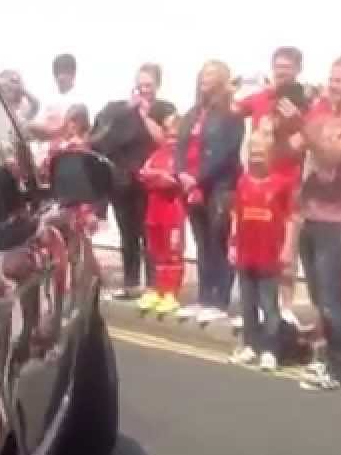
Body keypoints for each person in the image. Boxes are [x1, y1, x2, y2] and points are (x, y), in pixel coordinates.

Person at [292, 55, 341, 391]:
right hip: (312, 214)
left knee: (335, 299)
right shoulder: (321, 114)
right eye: (331, 79)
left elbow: (334, 156)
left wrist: (305, 126)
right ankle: (332, 358)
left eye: (339, 81)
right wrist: (283, 127)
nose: (332, 85)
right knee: (321, 297)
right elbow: (289, 151)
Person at [234, 46, 310, 326]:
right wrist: (234, 85)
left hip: (287, 179)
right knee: (254, 239)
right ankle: (252, 309)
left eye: (287, 67)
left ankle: (286, 305)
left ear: (298, 70)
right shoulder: (261, 98)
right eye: (278, 66)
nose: (282, 71)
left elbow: (307, 136)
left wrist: (296, 123)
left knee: (286, 244)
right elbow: (232, 109)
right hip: (256, 180)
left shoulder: (303, 100)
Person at [91, 63, 176, 299]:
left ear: (157, 86)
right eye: (139, 85)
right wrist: (126, 111)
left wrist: (143, 114)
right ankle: (130, 283)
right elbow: (99, 141)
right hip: (122, 183)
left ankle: (153, 284)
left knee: (149, 236)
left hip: (149, 186)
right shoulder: (117, 110)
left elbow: (164, 140)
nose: (143, 90)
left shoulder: (164, 109)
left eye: (148, 85)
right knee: (127, 235)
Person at [176, 60, 245, 325]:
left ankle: (220, 299)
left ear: (222, 80)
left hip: (219, 187)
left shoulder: (231, 115)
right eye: (203, 74)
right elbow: (180, 147)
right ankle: (204, 297)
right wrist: (181, 173)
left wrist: (197, 177)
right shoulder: (192, 113)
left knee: (219, 241)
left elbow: (226, 154)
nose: (206, 79)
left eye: (212, 75)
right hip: (191, 187)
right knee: (202, 243)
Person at [228, 120, 296, 372]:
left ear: (271, 155)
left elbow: (290, 219)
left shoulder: (281, 183)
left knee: (269, 304)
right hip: (246, 251)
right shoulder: (243, 182)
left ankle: (270, 349)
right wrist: (232, 244)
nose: (256, 157)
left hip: (269, 252)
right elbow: (236, 215)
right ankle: (249, 345)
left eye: (261, 153)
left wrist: (287, 248)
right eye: (252, 152)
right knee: (247, 303)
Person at [136, 109, 187, 314]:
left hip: (172, 212)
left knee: (172, 252)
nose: (171, 139)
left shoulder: (182, 157)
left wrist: (157, 177)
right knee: (155, 252)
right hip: (153, 211)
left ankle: (171, 292)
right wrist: (158, 176)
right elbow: (142, 174)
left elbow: (174, 181)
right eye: (168, 134)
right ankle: (157, 289)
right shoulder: (156, 155)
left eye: (175, 136)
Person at [29, 54, 84, 161]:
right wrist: (56, 132)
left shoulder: (81, 99)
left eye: (65, 71)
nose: (60, 77)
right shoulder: (48, 99)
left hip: (69, 157)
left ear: (73, 73)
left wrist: (50, 133)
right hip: (43, 157)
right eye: (57, 72)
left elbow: (73, 133)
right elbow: (32, 126)